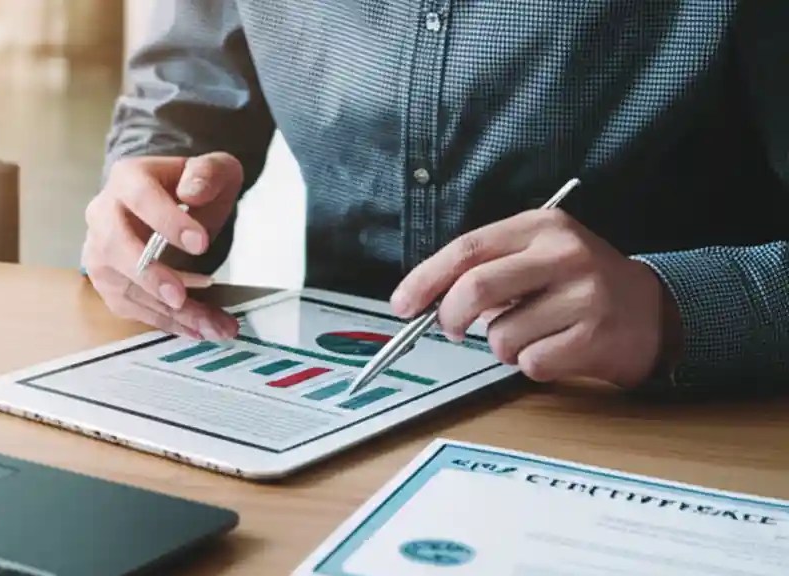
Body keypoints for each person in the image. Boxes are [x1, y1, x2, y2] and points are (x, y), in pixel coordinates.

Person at [81, 2, 789, 391]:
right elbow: (182, 97)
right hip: (332, 403)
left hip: (659, 428)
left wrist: (671, 310)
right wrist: (151, 187)